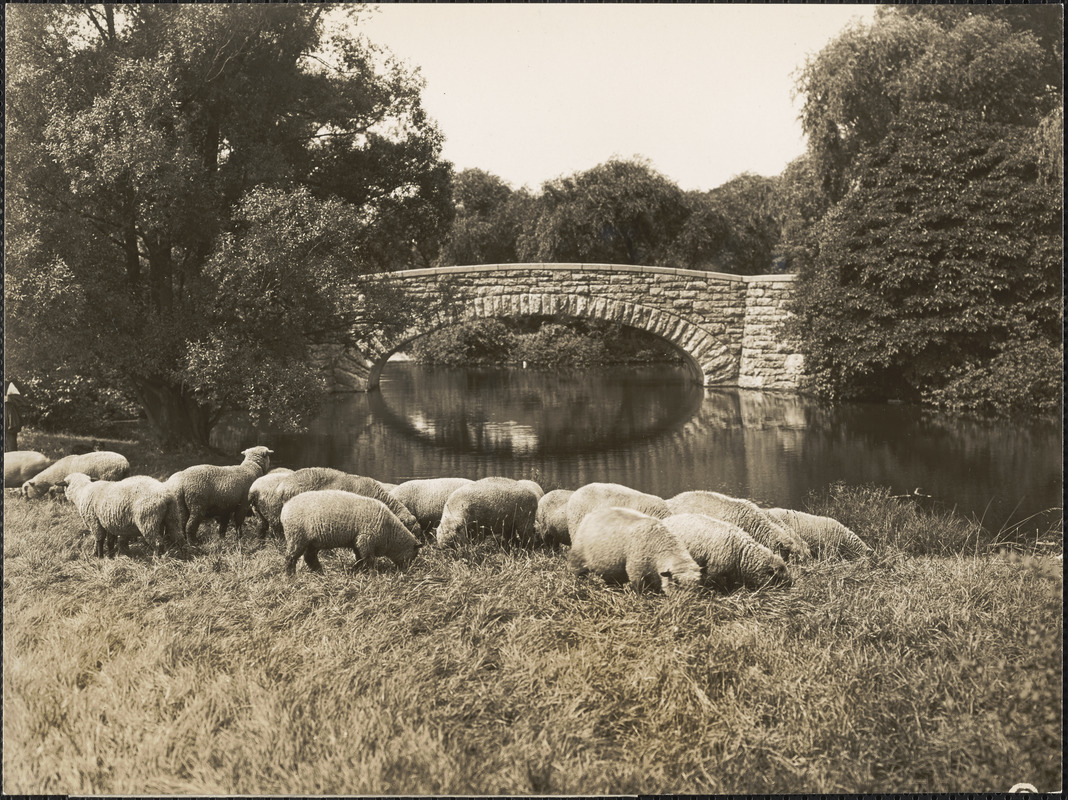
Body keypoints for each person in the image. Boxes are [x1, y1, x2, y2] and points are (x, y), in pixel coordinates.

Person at [5, 381, 26, 453]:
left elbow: (20, 400)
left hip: (7, 419)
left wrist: (8, 398)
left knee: (10, 445)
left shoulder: (8, 385)